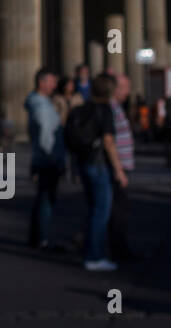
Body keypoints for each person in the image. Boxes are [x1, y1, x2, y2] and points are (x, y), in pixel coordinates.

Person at [67, 73, 125, 271]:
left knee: (93, 210)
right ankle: (95, 256)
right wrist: (119, 170)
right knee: (101, 212)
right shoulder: (105, 110)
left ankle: (90, 251)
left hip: (84, 162)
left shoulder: (81, 109)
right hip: (99, 164)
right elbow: (108, 142)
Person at [26, 70, 65, 251]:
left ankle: (37, 237)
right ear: (41, 82)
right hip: (48, 158)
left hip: (43, 157)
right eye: (51, 81)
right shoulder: (40, 105)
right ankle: (41, 239)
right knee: (46, 199)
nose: (54, 85)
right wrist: (52, 155)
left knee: (43, 198)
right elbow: (44, 132)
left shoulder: (39, 103)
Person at [108, 74, 141, 261]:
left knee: (118, 209)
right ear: (116, 88)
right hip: (118, 166)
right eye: (126, 87)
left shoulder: (116, 107)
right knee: (118, 210)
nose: (129, 92)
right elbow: (109, 140)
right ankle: (118, 249)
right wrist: (118, 169)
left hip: (120, 165)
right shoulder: (112, 108)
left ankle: (118, 246)